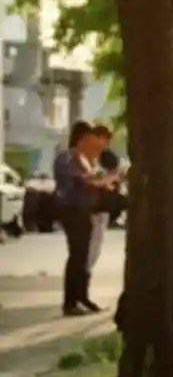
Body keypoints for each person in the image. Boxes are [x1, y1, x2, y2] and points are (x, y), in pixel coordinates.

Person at [53, 121, 113, 316]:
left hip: (84, 210)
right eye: (90, 137)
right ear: (82, 138)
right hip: (72, 209)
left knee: (83, 256)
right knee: (77, 255)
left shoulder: (82, 158)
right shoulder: (67, 157)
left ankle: (81, 297)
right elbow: (82, 180)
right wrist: (101, 182)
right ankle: (70, 302)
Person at [85, 124, 116, 282]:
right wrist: (107, 180)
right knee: (89, 249)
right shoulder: (86, 156)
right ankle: (82, 282)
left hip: (101, 208)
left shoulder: (106, 156)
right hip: (90, 208)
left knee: (95, 249)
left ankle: (85, 281)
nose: (105, 144)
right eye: (104, 139)